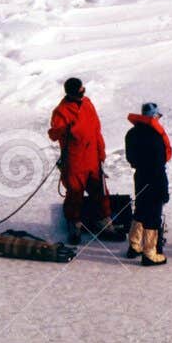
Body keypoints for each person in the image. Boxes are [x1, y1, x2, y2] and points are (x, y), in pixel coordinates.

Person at [48, 77, 108, 244]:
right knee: (75, 192)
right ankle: (74, 223)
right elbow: (53, 134)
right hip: (74, 160)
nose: (83, 92)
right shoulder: (61, 111)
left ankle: (102, 219)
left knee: (100, 190)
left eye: (83, 89)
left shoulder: (88, 104)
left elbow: (97, 131)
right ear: (72, 93)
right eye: (80, 91)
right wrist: (66, 130)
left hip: (92, 158)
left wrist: (101, 153)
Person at [124, 102, 172, 266]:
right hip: (154, 177)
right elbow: (159, 165)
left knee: (141, 209)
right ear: (153, 116)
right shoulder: (155, 135)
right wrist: (163, 189)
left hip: (140, 176)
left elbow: (131, 158)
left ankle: (134, 245)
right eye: (158, 116)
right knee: (153, 215)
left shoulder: (131, 133)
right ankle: (150, 253)